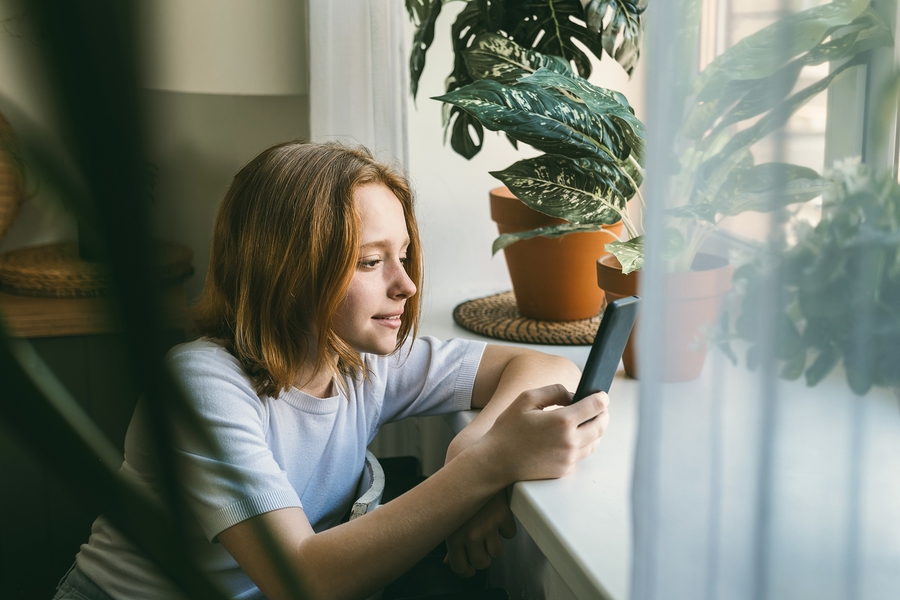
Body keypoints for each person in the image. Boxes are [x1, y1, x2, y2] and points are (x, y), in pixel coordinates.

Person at [53, 141, 610, 600]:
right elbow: (301, 577)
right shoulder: (202, 385)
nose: (406, 284)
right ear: (288, 270)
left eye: (404, 254)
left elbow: (541, 361)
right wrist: (487, 470)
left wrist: (475, 448)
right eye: (371, 261)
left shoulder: (361, 362)